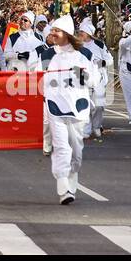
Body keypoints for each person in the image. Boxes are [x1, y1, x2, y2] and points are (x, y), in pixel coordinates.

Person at [39, 16, 94, 204]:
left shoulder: (83, 55)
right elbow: (39, 79)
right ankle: (63, 185)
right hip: (55, 106)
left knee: (76, 150)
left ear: (68, 35)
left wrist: (83, 76)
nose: (52, 33)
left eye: (57, 31)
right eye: (52, 30)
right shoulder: (46, 55)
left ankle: (72, 176)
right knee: (62, 147)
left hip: (77, 106)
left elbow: (93, 79)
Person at [78, 20, 110, 141]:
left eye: (83, 31)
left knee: (98, 105)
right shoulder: (76, 45)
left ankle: (96, 126)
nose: (80, 33)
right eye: (80, 31)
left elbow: (110, 60)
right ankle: (86, 130)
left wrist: (101, 63)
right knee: (84, 104)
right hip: (82, 77)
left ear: (89, 33)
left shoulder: (99, 45)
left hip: (98, 78)